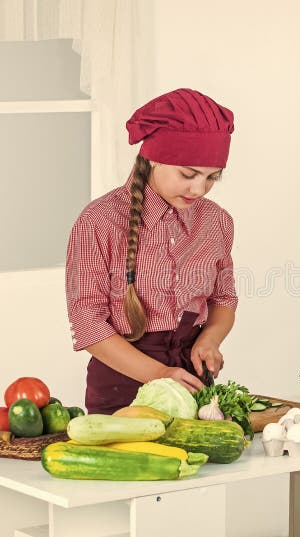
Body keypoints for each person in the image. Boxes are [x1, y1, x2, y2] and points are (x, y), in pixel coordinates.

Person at [65, 88, 238, 415]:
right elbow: (87, 323)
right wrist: (159, 374)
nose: (199, 189)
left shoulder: (217, 221)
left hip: (191, 384)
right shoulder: (99, 221)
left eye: (211, 177)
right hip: (122, 387)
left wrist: (210, 339)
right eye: (188, 174)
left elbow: (224, 298)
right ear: (153, 157)